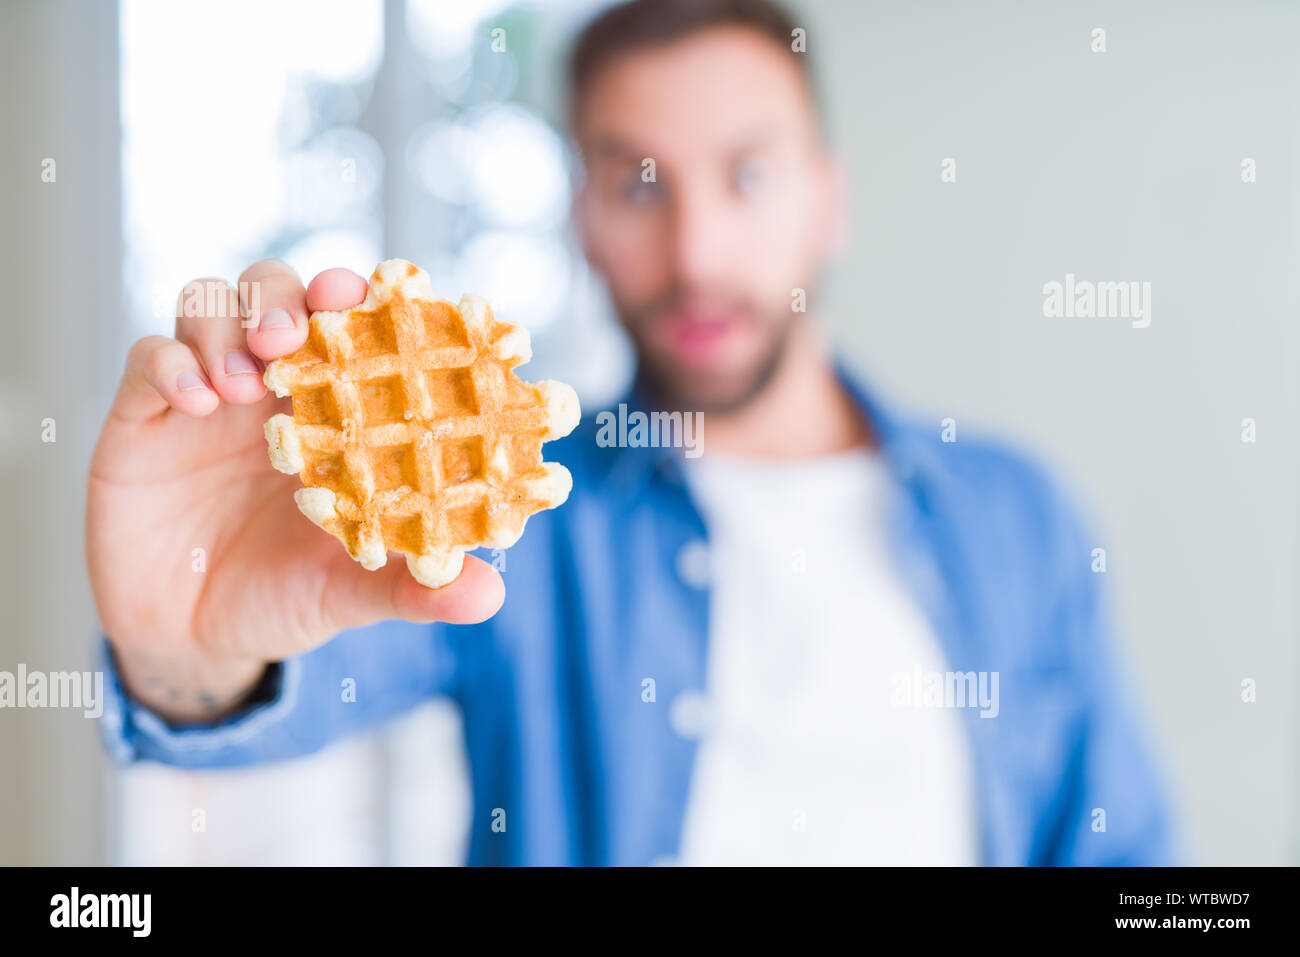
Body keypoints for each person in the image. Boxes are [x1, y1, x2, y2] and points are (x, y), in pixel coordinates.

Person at [88, 0, 1179, 865]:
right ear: (581, 220)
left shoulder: (1017, 519)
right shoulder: (511, 514)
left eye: (748, 174)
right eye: (636, 183)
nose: (696, 249)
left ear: (826, 200)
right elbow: (275, 684)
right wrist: (187, 647)